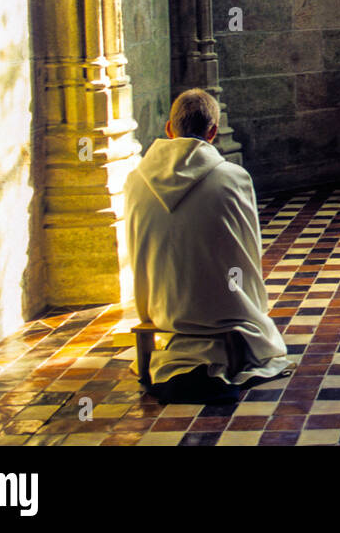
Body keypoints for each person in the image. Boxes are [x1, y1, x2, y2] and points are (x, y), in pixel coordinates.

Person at [124, 88, 293, 404]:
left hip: (161, 308)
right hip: (224, 311)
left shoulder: (135, 179)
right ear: (213, 132)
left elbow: (135, 247)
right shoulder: (233, 177)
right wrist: (254, 305)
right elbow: (248, 252)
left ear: (169, 129)